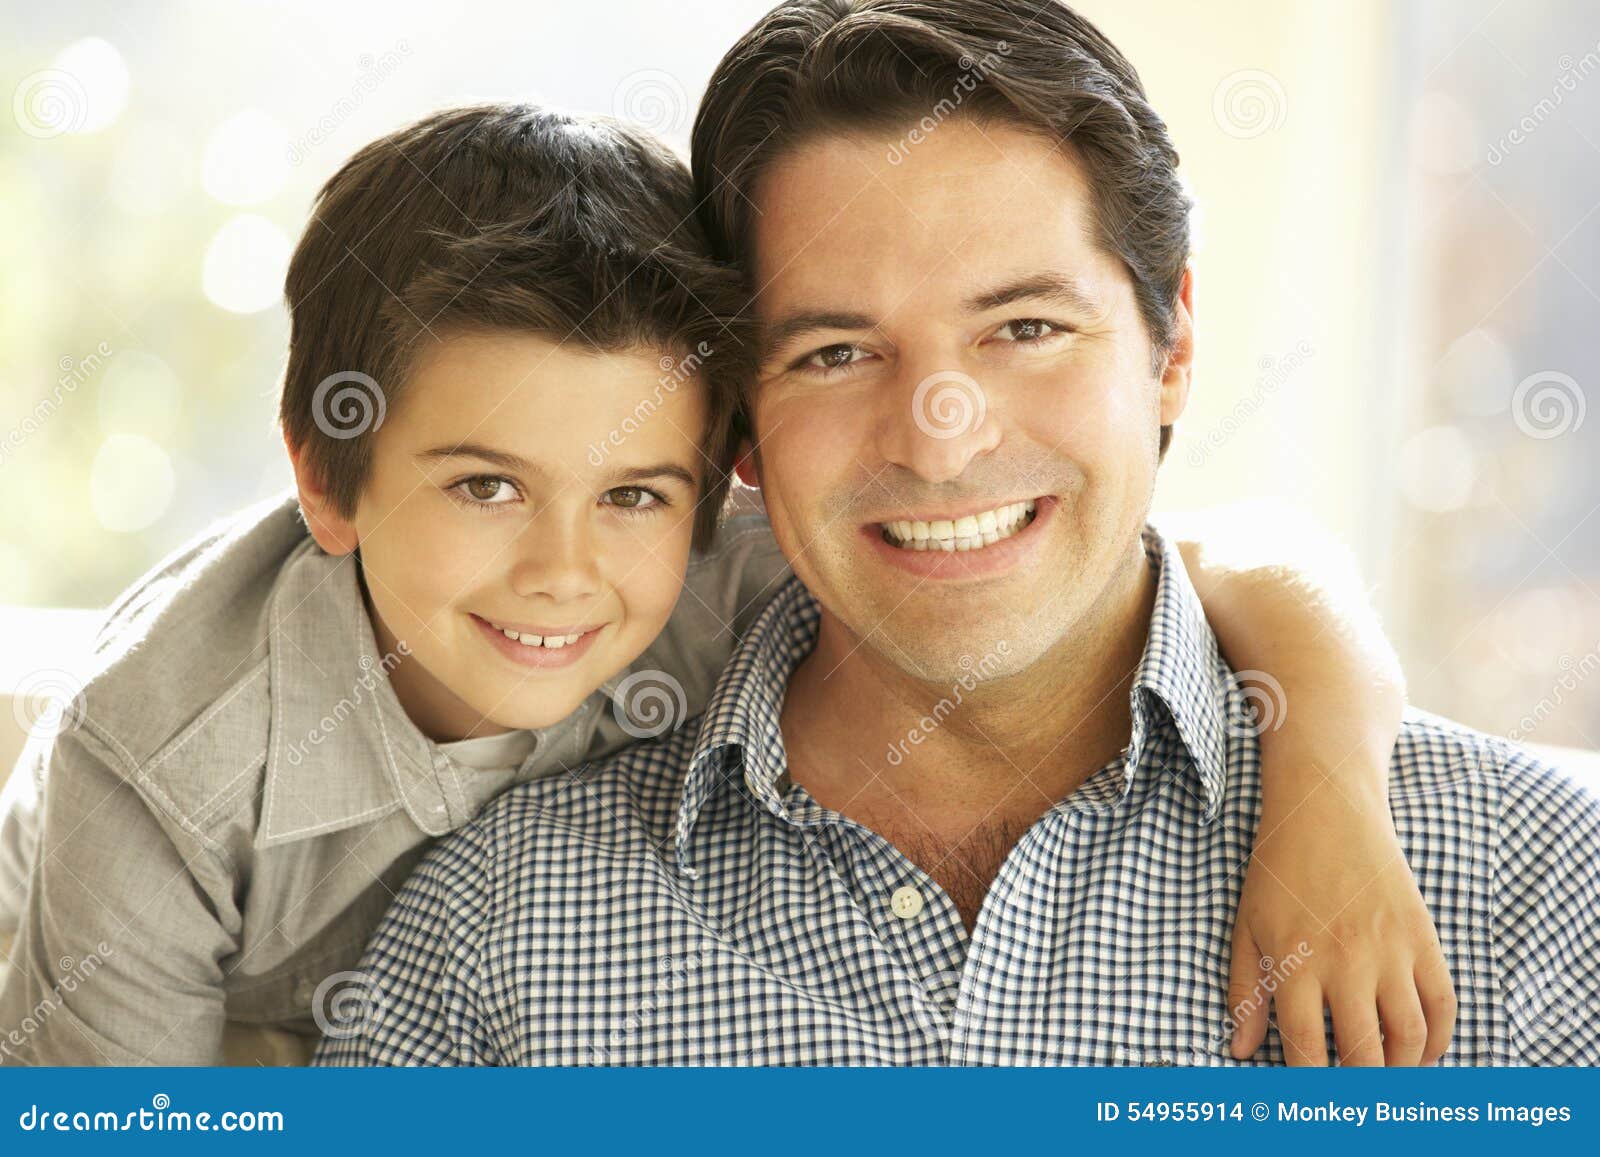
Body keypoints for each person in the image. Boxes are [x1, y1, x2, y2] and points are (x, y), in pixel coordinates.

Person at [2, 96, 1431, 1068]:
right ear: (327, 477)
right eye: (485, 485)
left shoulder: (743, 557)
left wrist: (1329, 801)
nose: (565, 569)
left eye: (633, 492)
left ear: (724, 474)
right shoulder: (155, 772)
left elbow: (1225, 562)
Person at [314, 0, 1598, 1068]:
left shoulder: (1533, 890)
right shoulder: (496, 937)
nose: (937, 437)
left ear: (1172, 348)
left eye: (1025, 327)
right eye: (834, 350)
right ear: (738, 429)